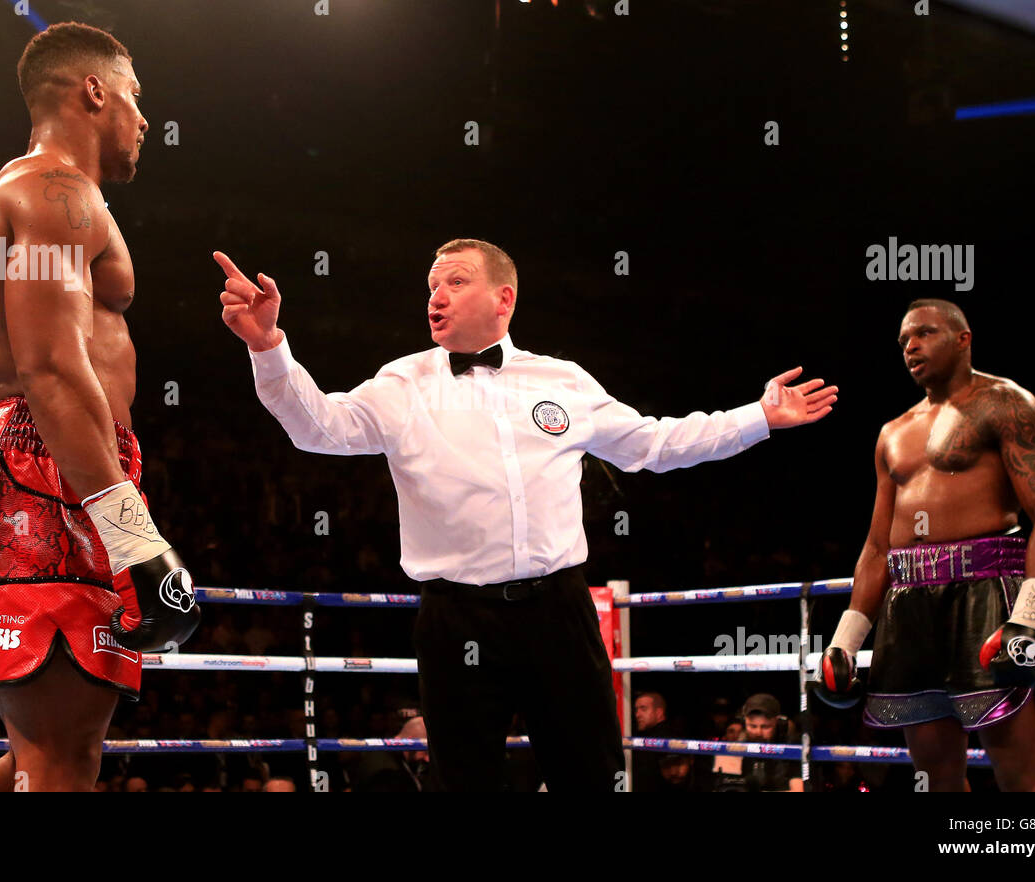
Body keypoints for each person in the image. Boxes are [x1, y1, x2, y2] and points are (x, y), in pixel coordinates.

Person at [215, 238, 837, 792]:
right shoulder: (402, 384)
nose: (437, 295)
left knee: (589, 773)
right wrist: (268, 346)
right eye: (432, 286)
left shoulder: (561, 379)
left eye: (455, 281)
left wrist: (758, 418)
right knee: (465, 780)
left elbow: (654, 443)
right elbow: (318, 427)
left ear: (502, 298)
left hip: (559, 611)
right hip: (456, 616)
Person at [0, 22, 200, 792]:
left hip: (21, 463)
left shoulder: (12, 193)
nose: (145, 120)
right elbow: (51, 367)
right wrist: (134, 534)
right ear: (94, 91)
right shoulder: (56, 193)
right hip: (50, 467)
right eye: (134, 96)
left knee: (41, 754)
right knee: (60, 761)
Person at [818, 299, 1035, 792]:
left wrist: (1031, 620)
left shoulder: (1005, 402)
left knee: (1019, 777)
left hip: (985, 595)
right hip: (908, 603)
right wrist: (846, 640)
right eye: (904, 341)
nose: (911, 346)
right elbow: (876, 548)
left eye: (925, 333)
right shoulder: (892, 433)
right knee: (936, 776)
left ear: (963, 338)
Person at [711, 694, 802, 792]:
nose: (758, 732)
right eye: (752, 726)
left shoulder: (791, 747)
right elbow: (723, 787)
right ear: (743, 722)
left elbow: (798, 790)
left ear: (777, 722)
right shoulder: (734, 747)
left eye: (765, 727)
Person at [632, 691, 673, 792]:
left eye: (643, 709)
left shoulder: (667, 739)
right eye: (636, 710)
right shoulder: (646, 736)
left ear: (659, 713)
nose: (637, 714)